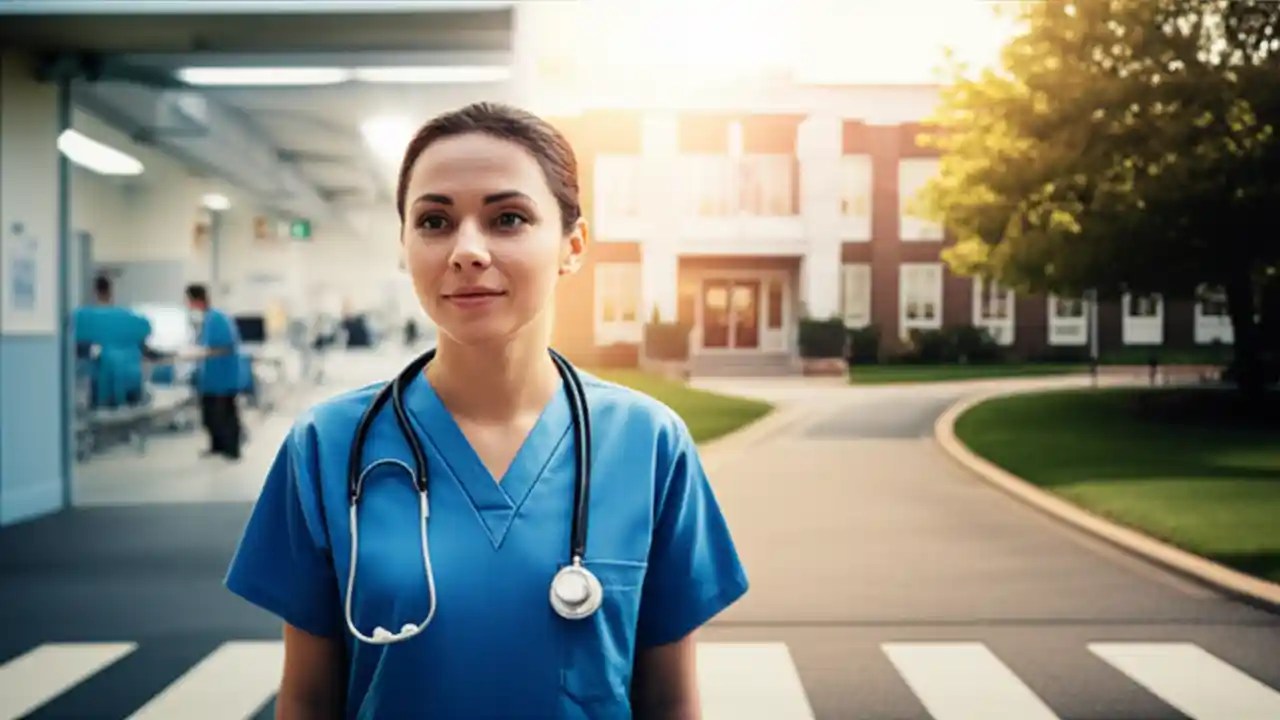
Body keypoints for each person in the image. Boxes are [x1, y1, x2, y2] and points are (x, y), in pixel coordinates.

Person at [223, 102, 749, 719]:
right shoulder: (327, 446)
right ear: (404, 246)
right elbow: (308, 699)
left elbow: (669, 700)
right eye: (435, 221)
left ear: (572, 245)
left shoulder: (648, 444)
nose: (467, 250)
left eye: (508, 218)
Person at [73, 275, 152, 409]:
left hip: (105, 383)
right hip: (132, 380)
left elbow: (76, 342)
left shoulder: (86, 317)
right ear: (111, 292)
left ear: (95, 292)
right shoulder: (130, 317)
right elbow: (146, 331)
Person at [185, 283, 243, 461]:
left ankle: (232, 450)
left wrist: (203, 352)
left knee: (225, 413)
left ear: (196, 300)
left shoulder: (217, 318)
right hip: (211, 378)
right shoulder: (208, 318)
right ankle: (216, 446)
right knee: (210, 415)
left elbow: (226, 347)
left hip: (222, 376)